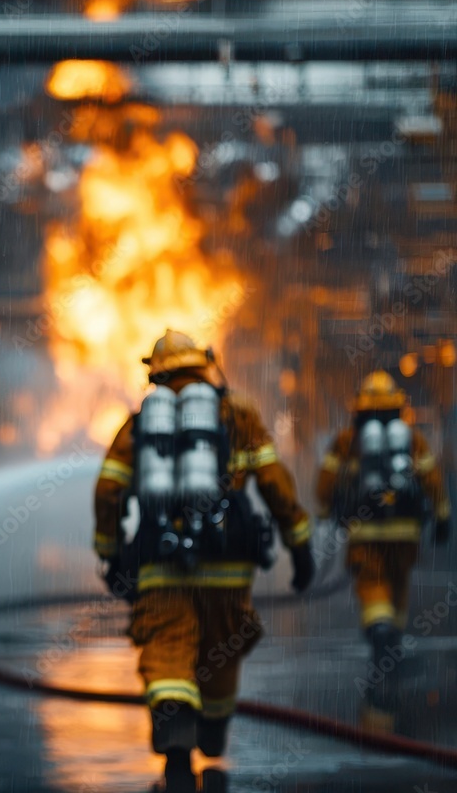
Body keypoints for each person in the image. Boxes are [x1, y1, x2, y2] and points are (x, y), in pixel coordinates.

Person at [94, 329, 314, 792]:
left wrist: (111, 553)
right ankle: (212, 726)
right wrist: (300, 544)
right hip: (229, 567)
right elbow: (273, 482)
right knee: (222, 649)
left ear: (155, 374)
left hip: (161, 567)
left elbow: (109, 491)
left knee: (167, 649)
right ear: (205, 364)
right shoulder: (239, 414)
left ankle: (177, 747)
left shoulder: (138, 425)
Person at [316, 370, 449, 724]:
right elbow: (432, 479)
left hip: (365, 534)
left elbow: (326, 484)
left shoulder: (348, 441)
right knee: (398, 587)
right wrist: (442, 516)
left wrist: (326, 513)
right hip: (405, 535)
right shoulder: (412, 441)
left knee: (373, 585)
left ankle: (381, 636)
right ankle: (390, 644)